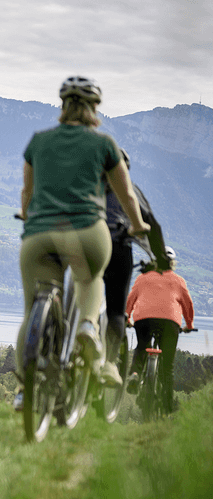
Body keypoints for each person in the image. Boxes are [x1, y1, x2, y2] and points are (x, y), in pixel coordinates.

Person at [14, 76, 150, 409]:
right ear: (94, 109)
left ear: (62, 106)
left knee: (33, 310)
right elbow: (127, 195)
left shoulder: (38, 141)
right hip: (88, 231)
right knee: (91, 279)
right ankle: (88, 327)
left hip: (40, 235)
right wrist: (137, 226)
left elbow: (27, 193)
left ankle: (24, 391)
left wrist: (27, 215)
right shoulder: (105, 145)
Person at [102, 149, 170, 382]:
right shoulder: (129, 191)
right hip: (117, 246)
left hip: (82, 243)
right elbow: (152, 224)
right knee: (115, 310)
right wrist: (161, 260)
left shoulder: (88, 184)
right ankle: (109, 364)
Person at [125, 246, 194, 413]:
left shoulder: (142, 278)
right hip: (170, 323)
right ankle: (168, 407)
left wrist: (127, 317)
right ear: (172, 263)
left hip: (143, 320)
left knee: (141, 348)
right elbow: (188, 305)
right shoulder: (178, 281)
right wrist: (189, 325)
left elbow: (130, 299)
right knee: (167, 366)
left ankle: (134, 374)